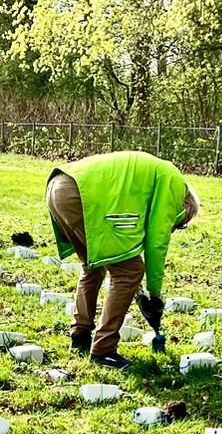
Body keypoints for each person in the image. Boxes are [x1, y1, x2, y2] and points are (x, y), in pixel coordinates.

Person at [45, 151, 198, 369]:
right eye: (181, 223)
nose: (175, 228)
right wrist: (154, 295)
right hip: (81, 194)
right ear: (186, 204)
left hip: (59, 185)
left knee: (92, 267)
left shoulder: (160, 174)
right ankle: (104, 349)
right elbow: (156, 243)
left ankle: (80, 336)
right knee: (129, 271)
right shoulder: (174, 185)